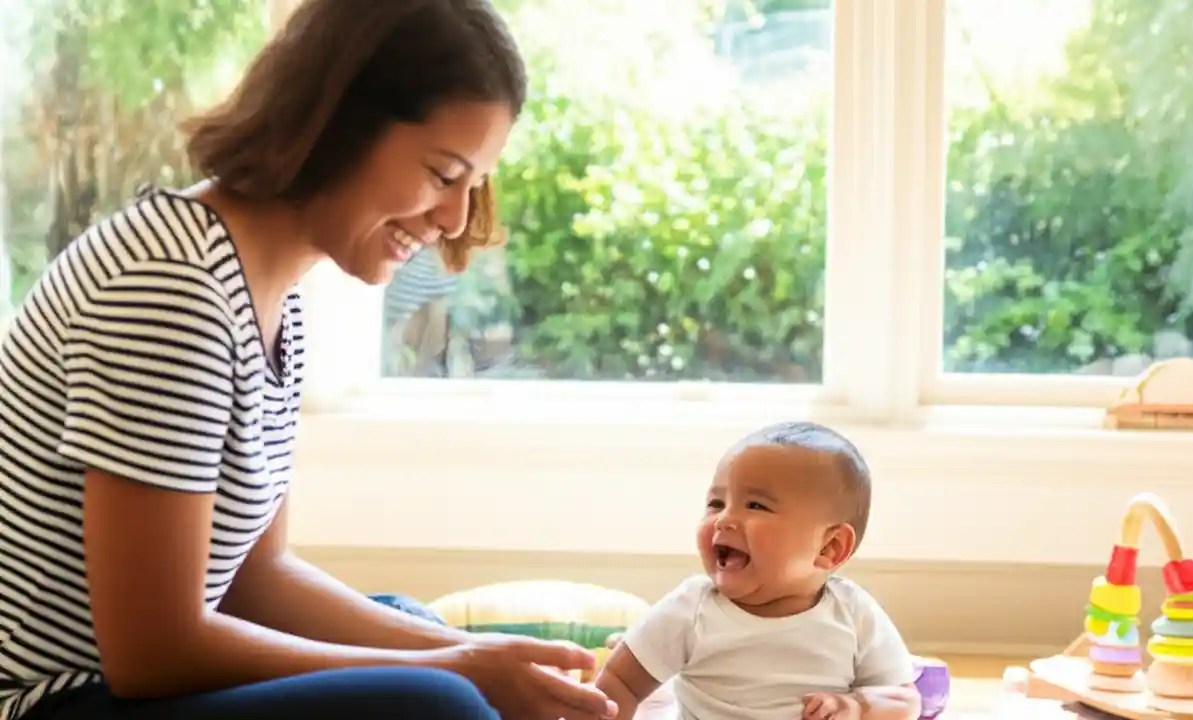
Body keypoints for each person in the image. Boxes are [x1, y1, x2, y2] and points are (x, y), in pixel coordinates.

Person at [0, 1, 619, 719]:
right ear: (338, 122)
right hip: (52, 700)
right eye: (442, 174)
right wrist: (456, 669)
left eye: (472, 185)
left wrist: (451, 653)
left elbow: (252, 578)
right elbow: (152, 652)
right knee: (438, 699)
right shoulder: (170, 286)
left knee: (421, 629)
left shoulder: (271, 293)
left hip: (121, 680)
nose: (453, 219)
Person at [593, 422, 923, 720]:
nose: (723, 519)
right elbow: (620, 682)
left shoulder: (852, 612)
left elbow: (904, 699)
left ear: (829, 548)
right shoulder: (691, 608)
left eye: (755, 505)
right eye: (716, 504)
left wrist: (857, 706)